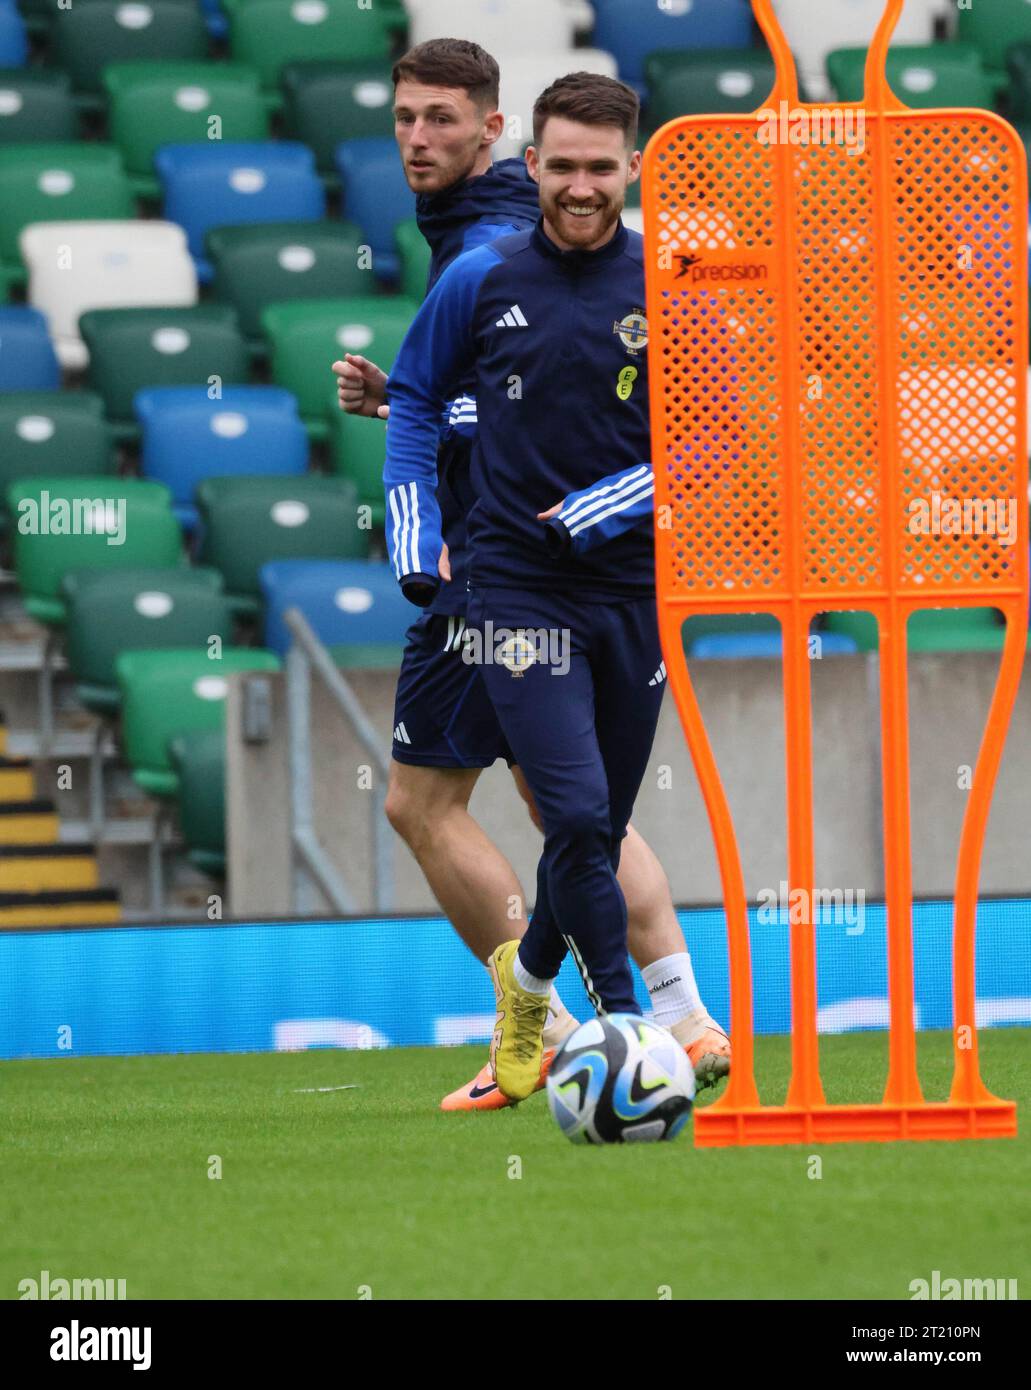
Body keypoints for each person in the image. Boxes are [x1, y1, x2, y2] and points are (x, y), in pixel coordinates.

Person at [338, 43, 729, 1105]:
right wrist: (407, 462)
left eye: (440, 119)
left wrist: (585, 503)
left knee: (474, 806)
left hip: (561, 567)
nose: (418, 137)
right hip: (505, 571)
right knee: (567, 806)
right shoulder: (481, 259)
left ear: (494, 130)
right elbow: (459, 397)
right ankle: (652, 1025)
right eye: (404, 117)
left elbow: (702, 426)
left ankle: (564, 1021)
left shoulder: (506, 235)